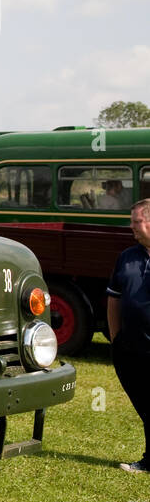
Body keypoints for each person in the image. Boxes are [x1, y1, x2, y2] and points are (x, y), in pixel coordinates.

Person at [106, 198, 150, 473]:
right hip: (131, 350)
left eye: (136, 221)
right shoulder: (127, 256)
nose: (131, 226)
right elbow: (114, 299)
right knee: (145, 405)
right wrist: (115, 338)